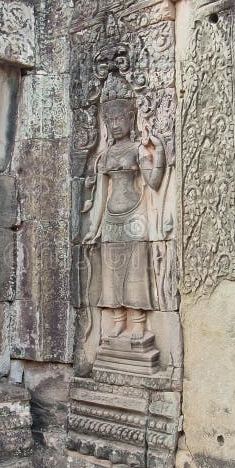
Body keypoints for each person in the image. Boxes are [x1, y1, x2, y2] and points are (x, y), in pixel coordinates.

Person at [82, 83, 166, 341]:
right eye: (109, 120)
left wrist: (159, 154)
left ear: (131, 118)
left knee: (136, 267)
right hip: (111, 216)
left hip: (135, 213)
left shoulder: (138, 149)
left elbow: (154, 182)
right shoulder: (105, 156)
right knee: (111, 270)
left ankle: (138, 321)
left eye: (119, 118)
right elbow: (99, 197)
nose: (115, 125)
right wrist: (93, 228)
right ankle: (118, 320)